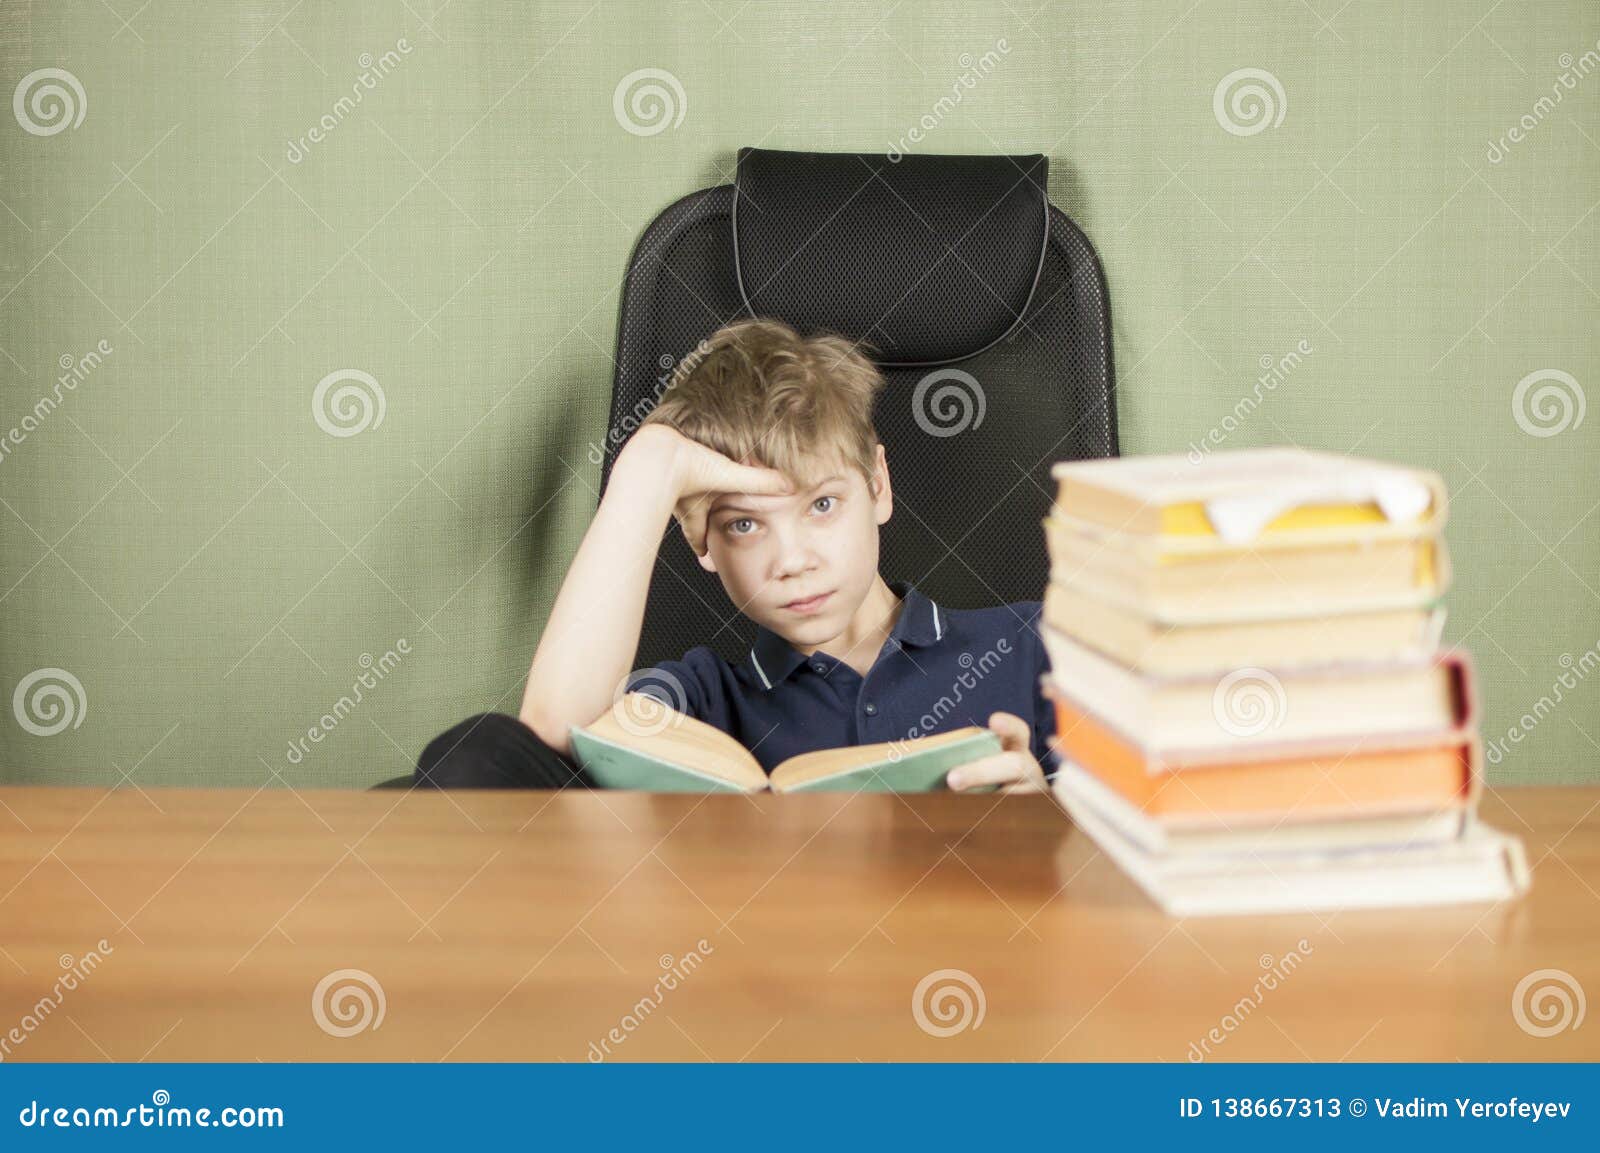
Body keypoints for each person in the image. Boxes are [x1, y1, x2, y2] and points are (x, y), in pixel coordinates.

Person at [416, 318, 1056, 791]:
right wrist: (650, 467)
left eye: (822, 506)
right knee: (478, 753)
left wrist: (1041, 815)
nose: (792, 559)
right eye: (746, 524)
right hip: (749, 965)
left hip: (967, 959)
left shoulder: (1033, 645)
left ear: (878, 486)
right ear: (703, 542)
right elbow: (551, 732)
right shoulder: (700, 698)